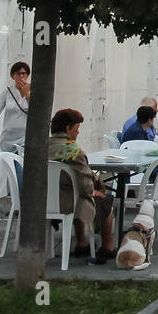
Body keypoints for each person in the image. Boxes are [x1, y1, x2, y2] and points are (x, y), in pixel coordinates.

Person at [47, 108, 117, 263]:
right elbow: (85, 185)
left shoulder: (42, 146)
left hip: (44, 200)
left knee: (77, 194)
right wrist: (95, 191)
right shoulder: (73, 151)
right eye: (77, 128)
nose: (78, 132)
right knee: (104, 201)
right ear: (68, 128)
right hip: (66, 203)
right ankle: (107, 246)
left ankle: (82, 243)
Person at [0, 60, 30, 153]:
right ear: (13, 76)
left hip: (25, 136)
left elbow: (35, 111)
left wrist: (26, 93)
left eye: (24, 73)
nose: (21, 76)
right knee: (10, 160)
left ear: (27, 75)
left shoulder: (32, 90)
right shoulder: (7, 92)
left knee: (21, 160)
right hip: (8, 137)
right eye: (18, 73)